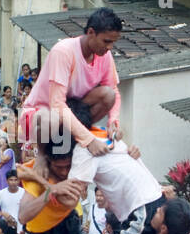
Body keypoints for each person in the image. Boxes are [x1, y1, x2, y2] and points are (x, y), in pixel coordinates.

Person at [22, 9, 122, 153]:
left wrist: (113, 121)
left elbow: (113, 90)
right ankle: (43, 155)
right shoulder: (64, 52)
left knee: (108, 95)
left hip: (72, 111)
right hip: (41, 116)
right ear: (91, 32)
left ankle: (74, 140)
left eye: (113, 42)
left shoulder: (105, 56)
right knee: (50, 119)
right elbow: (57, 104)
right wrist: (89, 140)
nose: (109, 47)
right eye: (106, 41)